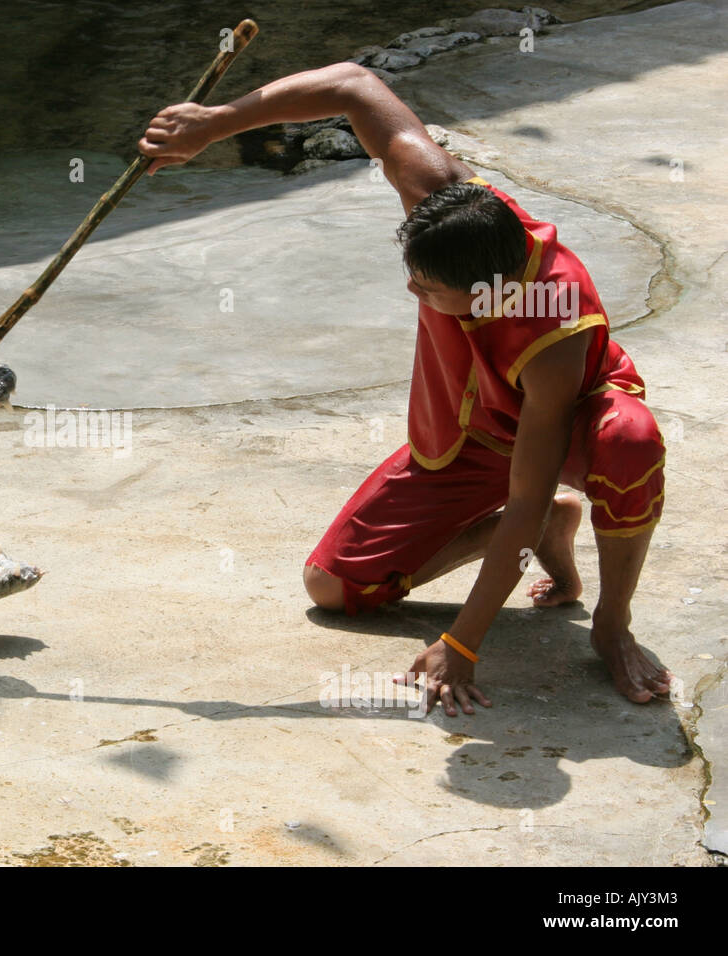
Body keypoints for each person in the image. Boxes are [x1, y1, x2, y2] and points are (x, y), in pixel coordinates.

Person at [137, 62, 671, 716]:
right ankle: (543, 536)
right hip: (464, 437)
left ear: (485, 294)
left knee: (631, 439)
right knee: (332, 587)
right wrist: (214, 124)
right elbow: (352, 85)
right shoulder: (449, 204)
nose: (411, 292)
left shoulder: (552, 337)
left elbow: (528, 492)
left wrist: (463, 642)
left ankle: (612, 627)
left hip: (560, 432)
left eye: (427, 290)